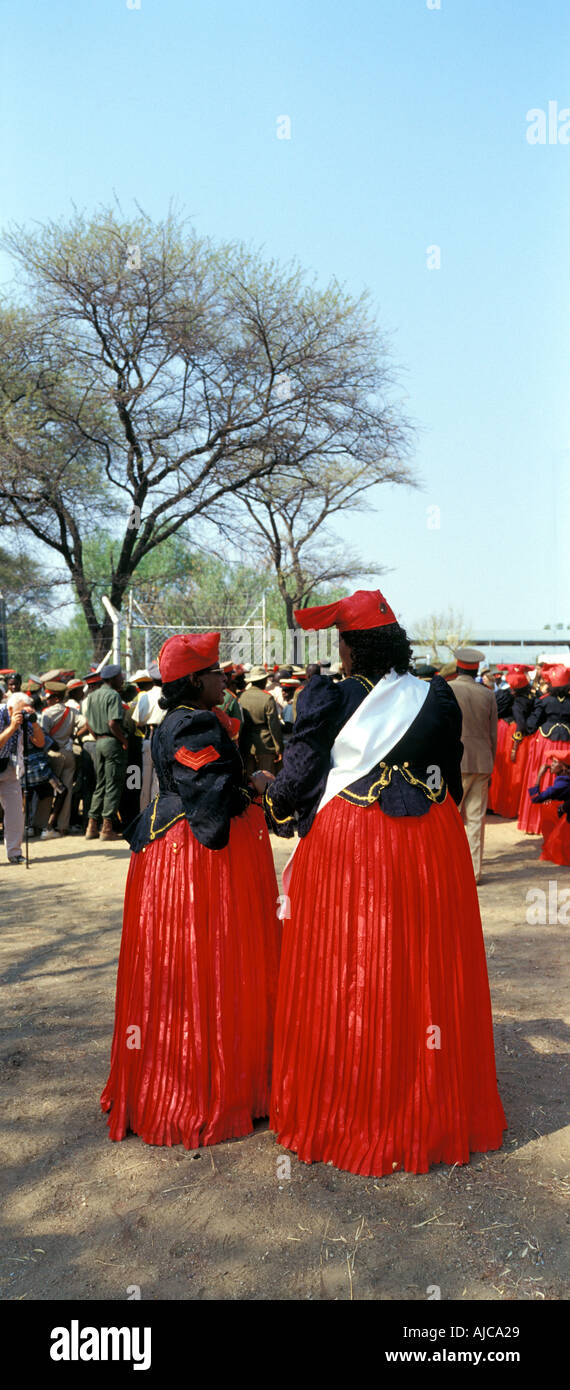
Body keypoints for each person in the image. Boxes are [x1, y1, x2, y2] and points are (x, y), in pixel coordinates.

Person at [263, 589, 506, 1177]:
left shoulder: (326, 693)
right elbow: (445, 772)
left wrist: (274, 801)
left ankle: (349, 1101)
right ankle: (424, 1103)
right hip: (430, 838)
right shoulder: (438, 694)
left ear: (347, 649)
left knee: (348, 962)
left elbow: (299, 778)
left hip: (351, 840)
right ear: (396, 643)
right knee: (423, 960)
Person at [101, 631, 281, 1148]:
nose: (223, 682)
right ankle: (205, 1089)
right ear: (196, 681)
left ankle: (173, 1083)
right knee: (212, 959)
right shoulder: (195, 723)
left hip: (167, 847)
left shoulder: (175, 720)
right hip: (195, 858)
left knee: (178, 965)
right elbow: (209, 796)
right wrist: (256, 786)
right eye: (215, 675)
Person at [451, 647, 498, 882]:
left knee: (450, 819)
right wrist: (491, 759)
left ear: (457, 666)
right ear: (477, 669)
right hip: (481, 761)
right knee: (476, 820)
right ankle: (473, 873)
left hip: (454, 762)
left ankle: (449, 869)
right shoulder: (488, 694)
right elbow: (493, 734)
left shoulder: (447, 689)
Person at [517, 664, 570, 835]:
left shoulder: (544, 700)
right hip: (567, 744)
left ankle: (538, 821)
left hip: (546, 744)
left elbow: (532, 724)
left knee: (541, 773)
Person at [84, 665, 128, 841]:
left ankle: (91, 826)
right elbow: (112, 723)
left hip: (99, 742)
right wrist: (124, 741)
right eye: (120, 677)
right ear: (113, 679)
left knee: (100, 784)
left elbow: (87, 722)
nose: (122, 679)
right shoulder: (113, 695)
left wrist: (97, 736)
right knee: (112, 784)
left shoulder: (92, 696)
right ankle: (107, 828)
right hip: (112, 742)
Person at [0, 693, 45, 863]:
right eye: (20, 712)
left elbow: (40, 742)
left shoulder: (24, 719)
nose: (22, 715)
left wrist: (33, 721)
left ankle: (14, 852)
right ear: (10, 709)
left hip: (9, 767)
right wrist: (12, 726)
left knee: (15, 812)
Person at [487, 666, 533, 818]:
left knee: (502, 770)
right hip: (513, 734)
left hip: (507, 732)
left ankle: (497, 804)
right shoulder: (529, 697)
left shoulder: (504, 695)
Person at [238, 666, 283, 775]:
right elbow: (274, 726)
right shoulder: (267, 698)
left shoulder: (241, 696)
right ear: (263, 681)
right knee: (267, 780)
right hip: (265, 746)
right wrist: (279, 748)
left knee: (250, 781)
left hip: (247, 745)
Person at [528, 754, 570, 866]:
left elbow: (536, 798)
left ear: (563, 767)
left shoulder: (563, 782)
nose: (551, 765)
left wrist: (539, 776)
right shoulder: (563, 779)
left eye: (555, 762)